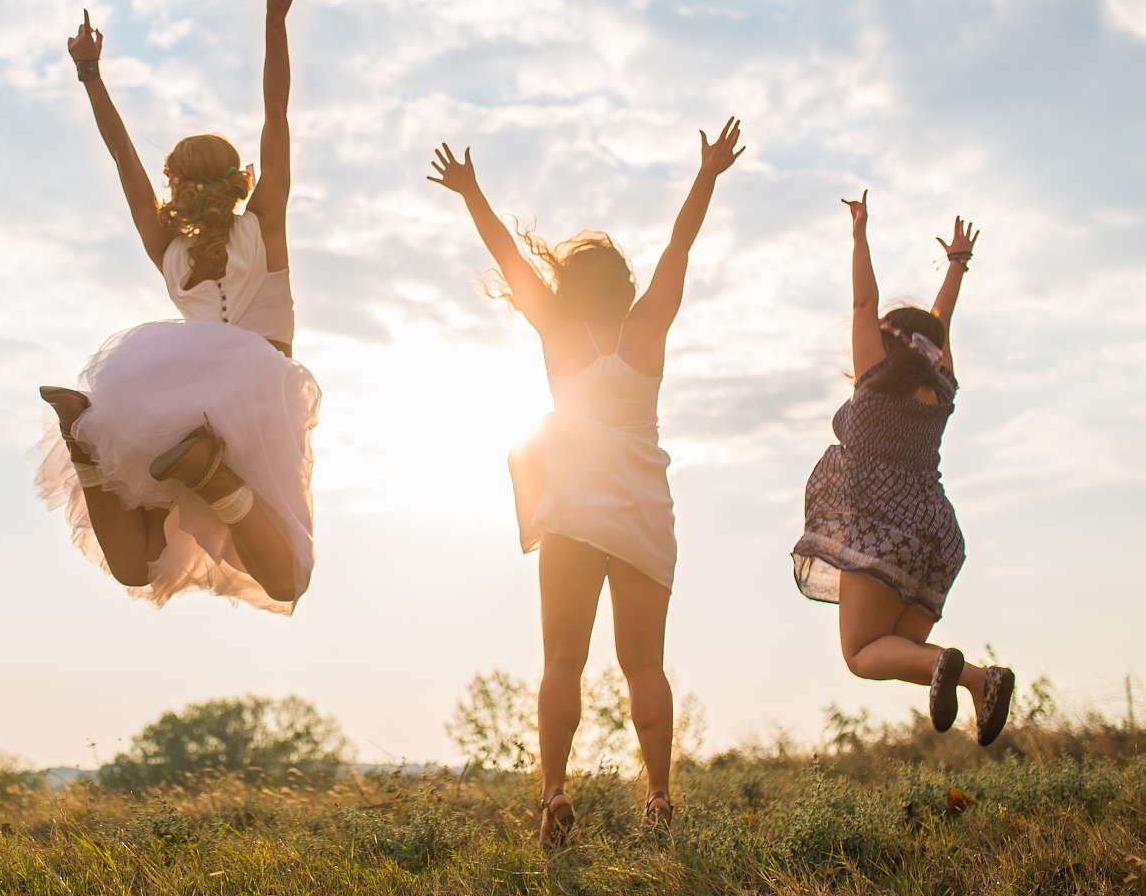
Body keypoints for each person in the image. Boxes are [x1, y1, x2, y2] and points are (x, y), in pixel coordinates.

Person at [428, 122, 742, 841]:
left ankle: (555, 792)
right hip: (642, 512)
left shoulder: (556, 331)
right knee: (645, 664)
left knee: (563, 658)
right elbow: (679, 245)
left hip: (571, 510)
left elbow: (507, 259)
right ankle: (659, 796)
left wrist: (472, 190)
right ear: (627, 287)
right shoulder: (647, 328)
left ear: (568, 287)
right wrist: (708, 174)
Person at [34, 0, 321, 614]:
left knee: (136, 564)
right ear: (236, 180)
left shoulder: (168, 249)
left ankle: (89, 445)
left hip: (174, 398)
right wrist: (276, 21)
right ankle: (209, 472)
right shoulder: (264, 226)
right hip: (256, 394)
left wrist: (89, 75)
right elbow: (276, 116)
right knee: (288, 579)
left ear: (179, 190)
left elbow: (121, 155)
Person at [792, 195, 1013, 744]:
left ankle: (971, 676)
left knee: (862, 655)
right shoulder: (940, 387)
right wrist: (957, 264)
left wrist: (859, 234)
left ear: (889, 338)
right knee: (906, 651)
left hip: (879, 529)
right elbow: (940, 324)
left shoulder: (874, 380)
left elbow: (863, 302)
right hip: (936, 535)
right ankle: (979, 683)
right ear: (935, 352)